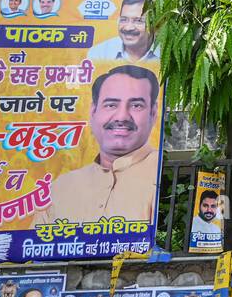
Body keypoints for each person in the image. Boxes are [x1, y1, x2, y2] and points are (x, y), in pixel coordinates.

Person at [32, 65, 161, 225]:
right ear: (93, 112)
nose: (121, 116)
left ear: (153, 113)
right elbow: (33, 245)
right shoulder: (61, 187)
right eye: (111, 105)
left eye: (136, 105)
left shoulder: (163, 172)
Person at [87, 0, 158, 63]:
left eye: (138, 21)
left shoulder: (165, 52)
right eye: (124, 20)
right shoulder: (99, 53)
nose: (128, 28)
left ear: (155, 24)